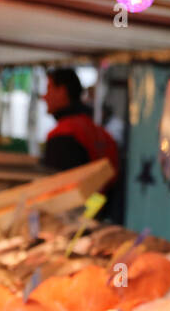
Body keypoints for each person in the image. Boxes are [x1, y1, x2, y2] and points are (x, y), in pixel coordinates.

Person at [41, 68, 122, 222]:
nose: (44, 96)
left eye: (48, 89)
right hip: (99, 218)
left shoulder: (64, 134)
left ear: (62, 91)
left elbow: (58, 191)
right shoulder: (101, 133)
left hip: (73, 223)